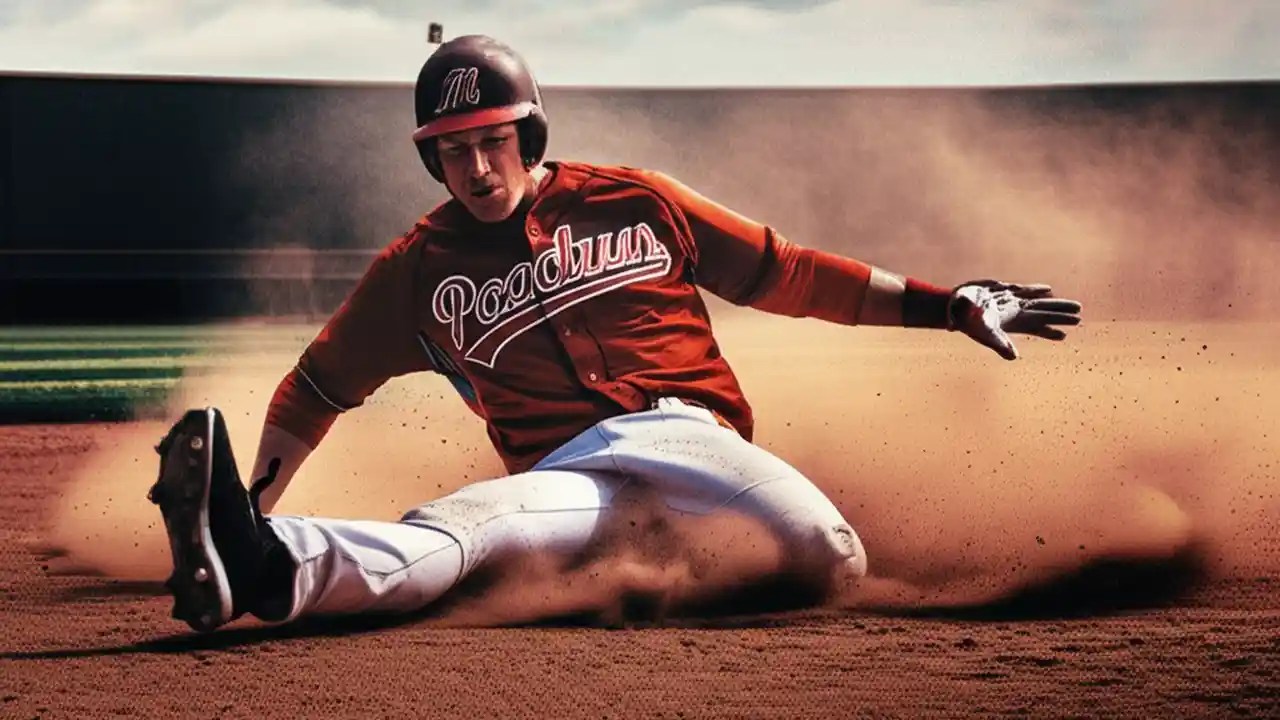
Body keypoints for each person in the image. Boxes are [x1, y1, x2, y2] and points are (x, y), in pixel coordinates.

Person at [147, 35, 1082, 633]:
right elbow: (315, 388)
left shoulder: (636, 200)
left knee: (830, 557)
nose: (475, 165)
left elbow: (788, 271)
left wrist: (944, 302)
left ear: (531, 131)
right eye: (452, 147)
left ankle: (685, 562)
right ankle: (265, 563)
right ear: (431, 156)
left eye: (492, 138)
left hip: (688, 439)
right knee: (460, 535)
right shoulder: (415, 271)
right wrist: (256, 500)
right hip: (567, 477)